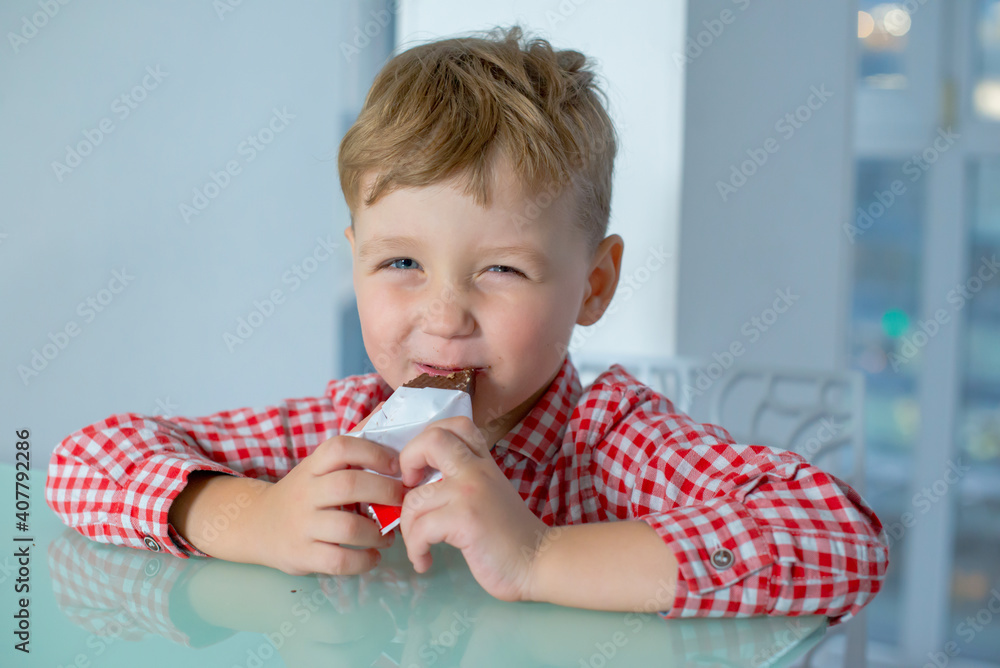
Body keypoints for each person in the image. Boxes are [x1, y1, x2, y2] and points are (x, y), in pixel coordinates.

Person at [45, 24, 888, 623]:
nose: (443, 315)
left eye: (502, 269)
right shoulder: (347, 429)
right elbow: (85, 459)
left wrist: (540, 557)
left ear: (593, 285)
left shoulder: (610, 444)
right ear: (355, 261)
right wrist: (257, 520)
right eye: (400, 264)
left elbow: (840, 537)